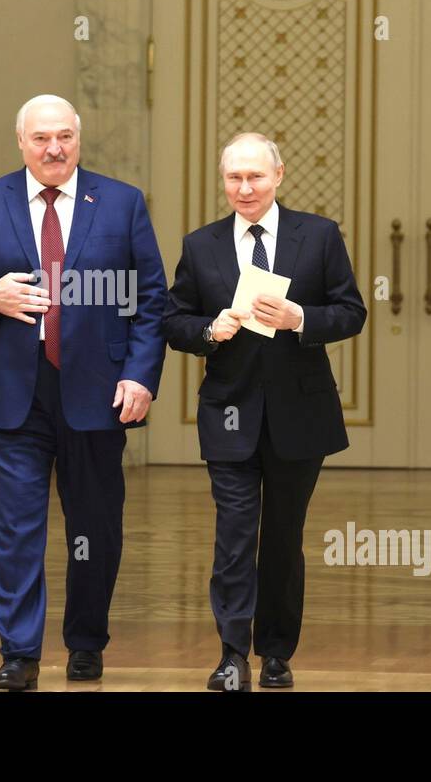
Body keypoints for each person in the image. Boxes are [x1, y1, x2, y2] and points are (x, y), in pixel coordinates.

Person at [0, 95, 166, 690]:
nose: (54, 149)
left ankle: (86, 643)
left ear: (78, 138)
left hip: (98, 391)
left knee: (94, 527)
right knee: (16, 526)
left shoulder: (121, 202)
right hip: (13, 390)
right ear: (20, 142)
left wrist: (140, 374)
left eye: (64, 137)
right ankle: (19, 653)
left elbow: (151, 298)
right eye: (41, 139)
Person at [162, 132, 366, 690]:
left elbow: (351, 311)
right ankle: (232, 655)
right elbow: (173, 321)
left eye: (255, 176)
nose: (245, 188)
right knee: (234, 534)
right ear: (223, 181)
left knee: (282, 536)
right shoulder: (201, 245)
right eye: (234, 178)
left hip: (300, 416)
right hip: (229, 413)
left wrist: (300, 317)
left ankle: (276, 651)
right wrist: (210, 329)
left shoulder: (318, 236)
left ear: (279, 175)